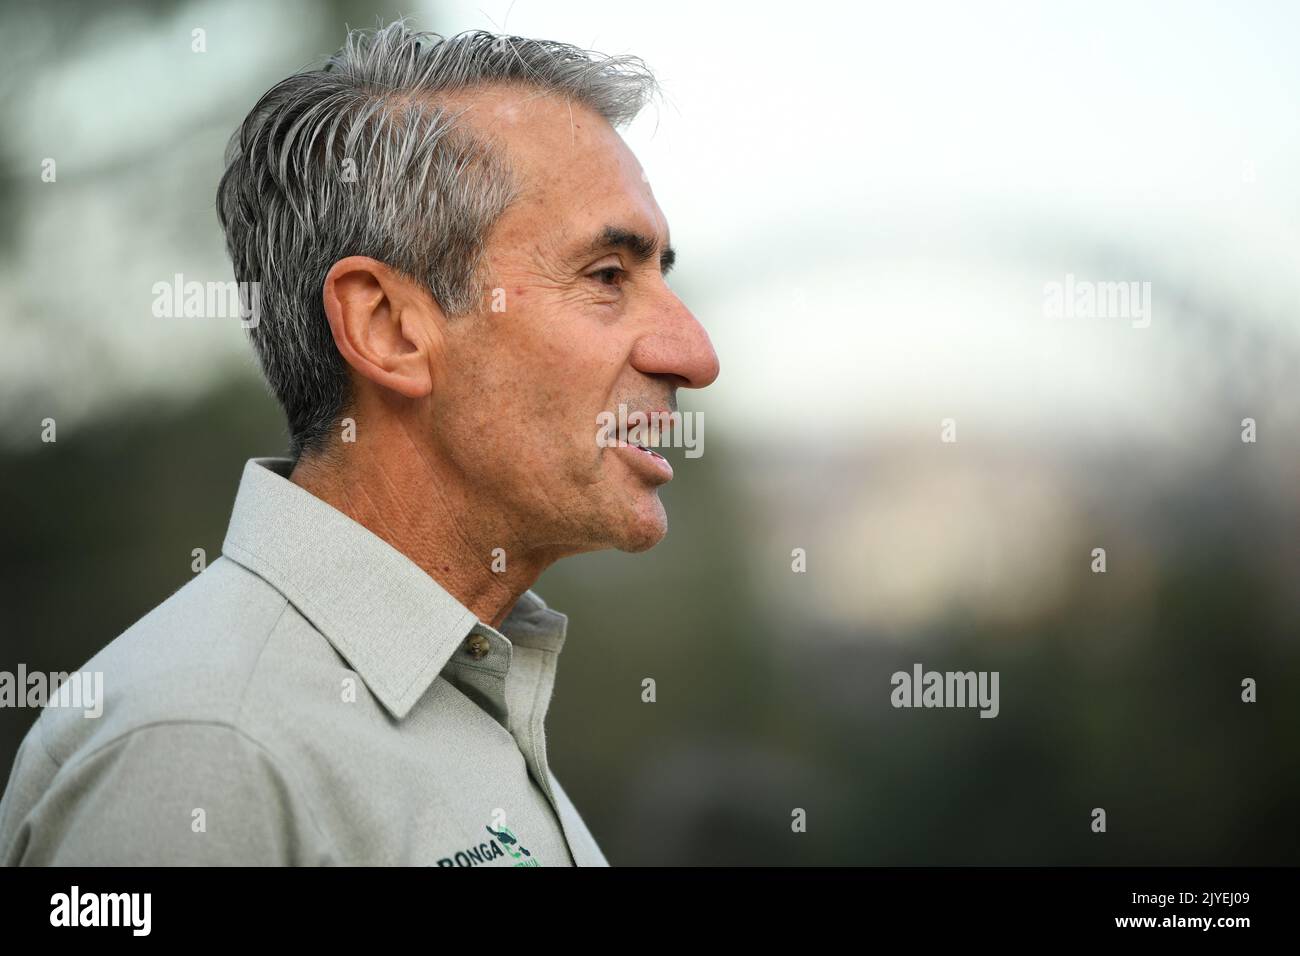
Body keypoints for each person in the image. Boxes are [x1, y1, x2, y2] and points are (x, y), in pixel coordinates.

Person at [0, 20, 718, 866]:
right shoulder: (205, 747)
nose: (694, 354)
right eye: (606, 277)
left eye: (659, 273)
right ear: (387, 329)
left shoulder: (458, 690)